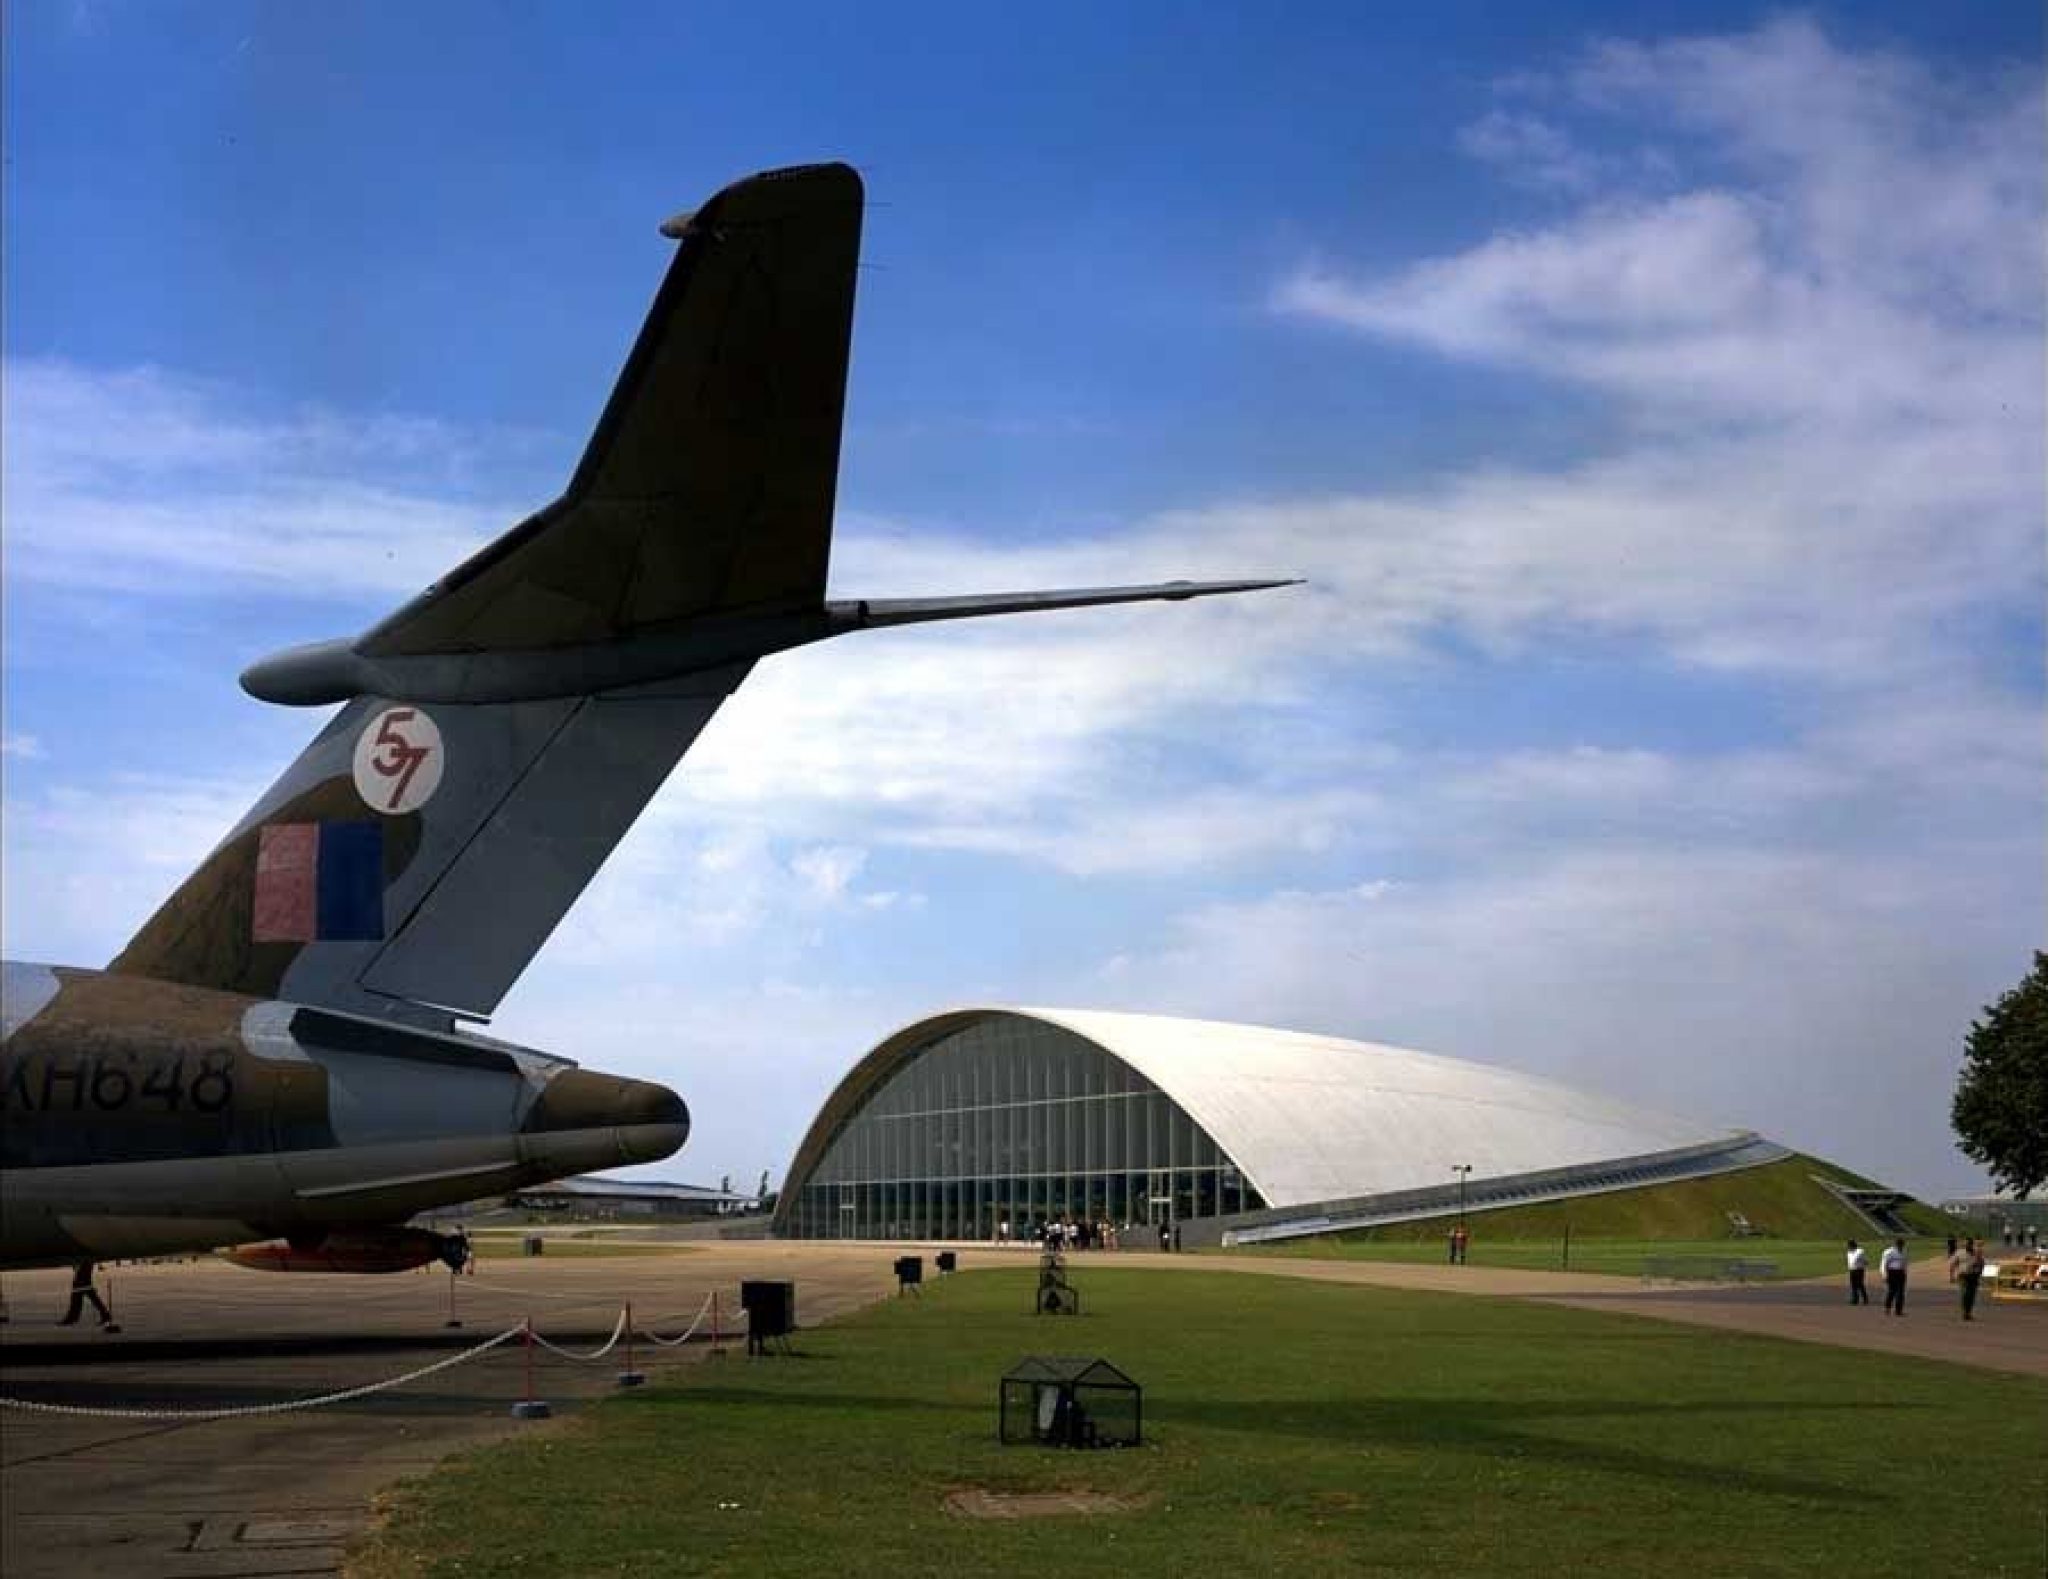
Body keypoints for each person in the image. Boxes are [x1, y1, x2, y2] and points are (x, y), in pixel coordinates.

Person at [1957, 1237, 1985, 1321]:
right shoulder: (1960, 1253)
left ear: (1971, 1244)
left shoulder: (1977, 1253)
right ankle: (1965, 1312)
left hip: (1973, 1276)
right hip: (1963, 1276)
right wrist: (1952, 1275)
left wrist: (1980, 1271)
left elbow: (1982, 1263)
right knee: (1965, 1294)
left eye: (1968, 1244)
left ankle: (1968, 1313)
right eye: (1965, 1244)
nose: (1966, 1246)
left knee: (1972, 1295)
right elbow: (1953, 1263)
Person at [1881, 1238, 1909, 1315]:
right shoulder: (1889, 1252)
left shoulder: (1904, 1252)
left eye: (1902, 1245)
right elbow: (1884, 1264)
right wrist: (1884, 1274)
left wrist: (1905, 1272)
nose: (1900, 1247)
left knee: (1901, 1292)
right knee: (1891, 1291)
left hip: (1900, 1273)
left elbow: (1905, 1263)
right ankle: (1887, 1308)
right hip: (1891, 1272)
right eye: (1899, 1245)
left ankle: (1898, 1310)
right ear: (1895, 1245)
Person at [1845, 1239, 1868, 1305]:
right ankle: (1855, 1299)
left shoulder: (1860, 1251)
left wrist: (1864, 1264)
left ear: (1853, 1245)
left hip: (1859, 1270)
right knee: (1853, 1285)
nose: (1848, 1247)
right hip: (1852, 1270)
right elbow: (1849, 1261)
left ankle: (1865, 1298)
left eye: (1849, 1245)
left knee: (1860, 1284)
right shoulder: (1849, 1252)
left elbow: (1865, 1260)